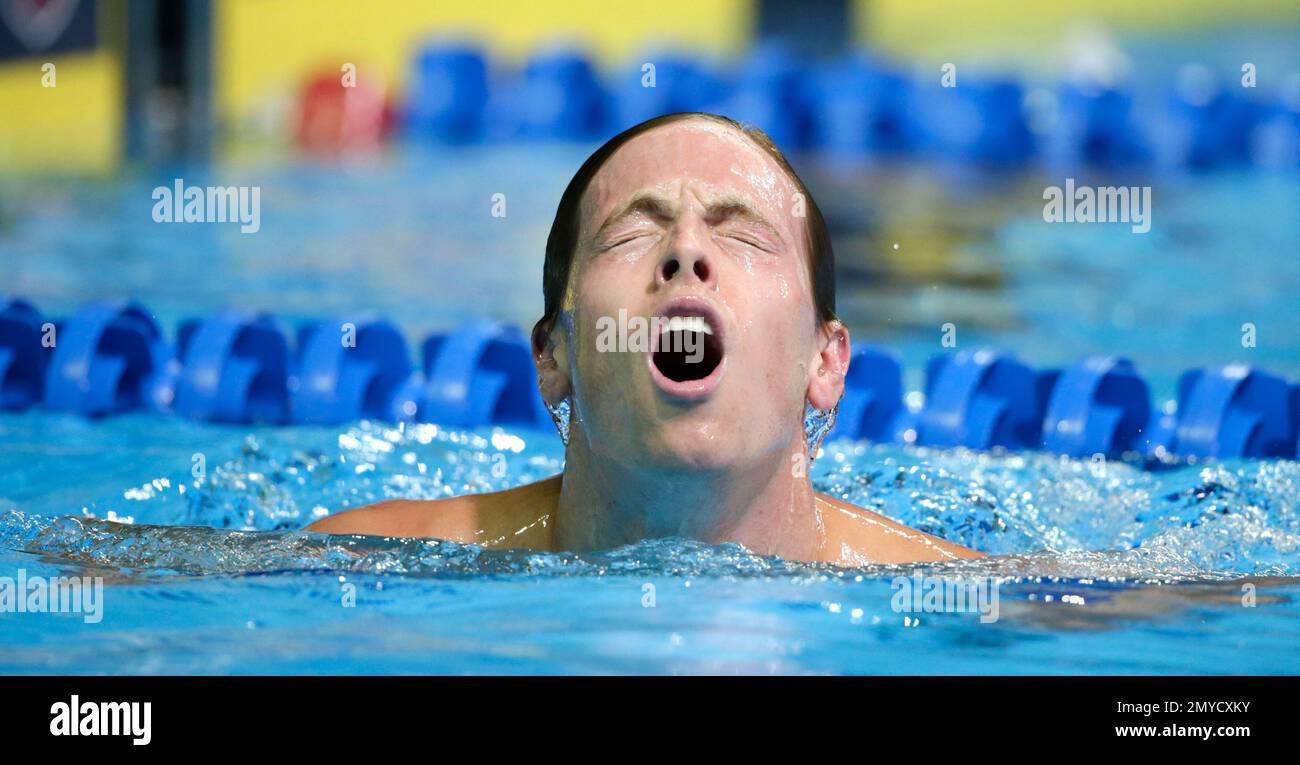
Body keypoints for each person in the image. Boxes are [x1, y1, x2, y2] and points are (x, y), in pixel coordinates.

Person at [307, 112, 981, 565]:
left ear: (827, 361)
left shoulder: (973, 595)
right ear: (551, 355)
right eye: (630, 234)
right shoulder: (352, 565)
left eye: (743, 234)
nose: (686, 250)